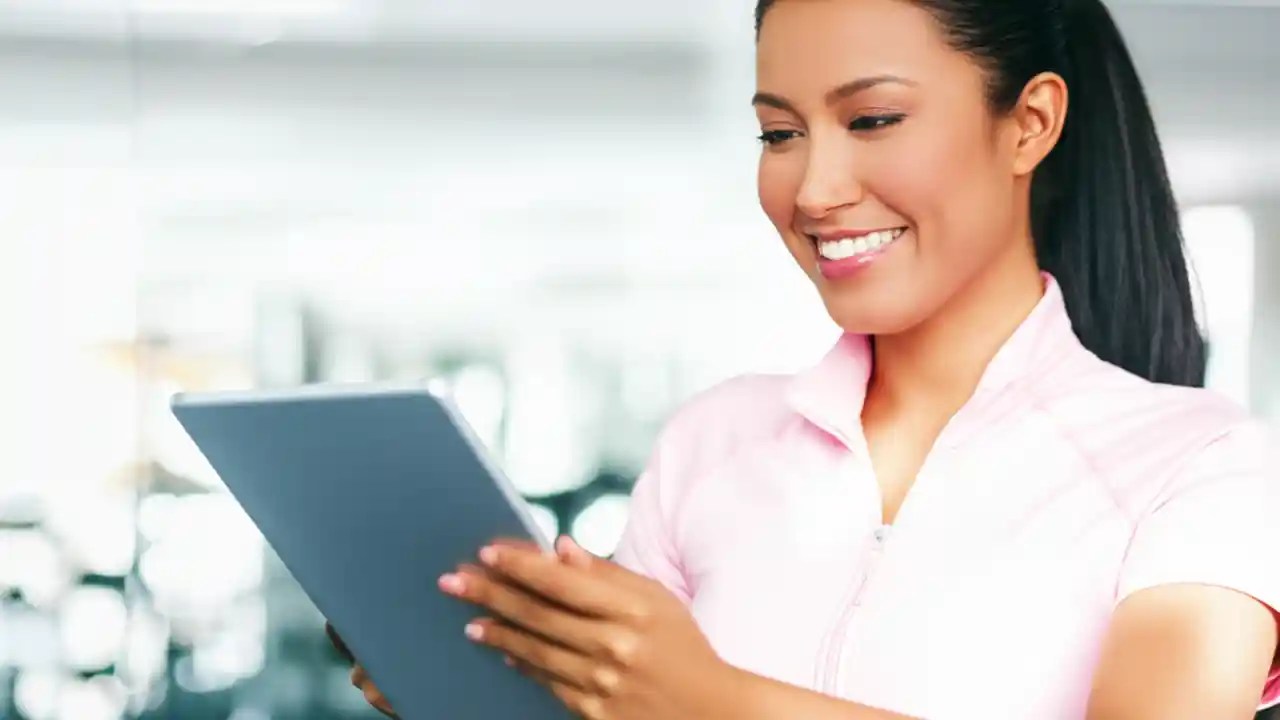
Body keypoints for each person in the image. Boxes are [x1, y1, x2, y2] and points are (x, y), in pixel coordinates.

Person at [338, 0, 1280, 717]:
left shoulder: (1203, 466)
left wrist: (714, 700)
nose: (816, 189)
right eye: (781, 133)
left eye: (871, 121)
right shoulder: (713, 442)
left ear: (1029, 123)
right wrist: (483, 681)